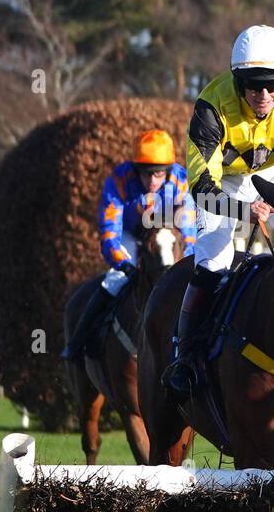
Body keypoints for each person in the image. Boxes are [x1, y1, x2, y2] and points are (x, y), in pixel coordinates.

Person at [162, 24, 274, 397]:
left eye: (273, 84)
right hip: (222, 183)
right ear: (237, 80)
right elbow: (201, 187)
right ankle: (186, 357)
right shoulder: (211, 105)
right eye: (253, 85)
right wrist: (244, 212)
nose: (263, 94)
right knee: (213, 262)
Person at [61, 129, 197, 360]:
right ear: (136, 170)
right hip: (130, 234)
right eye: (146, 174)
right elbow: (109, 232)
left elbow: (189, 233)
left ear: (168, 171)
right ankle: (80, 340)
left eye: (158, 174)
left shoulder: (181, 180)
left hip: (165, 233)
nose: (152, 180)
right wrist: (123, 264)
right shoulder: (119, 180)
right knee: (116, 278)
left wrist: (185, 264)